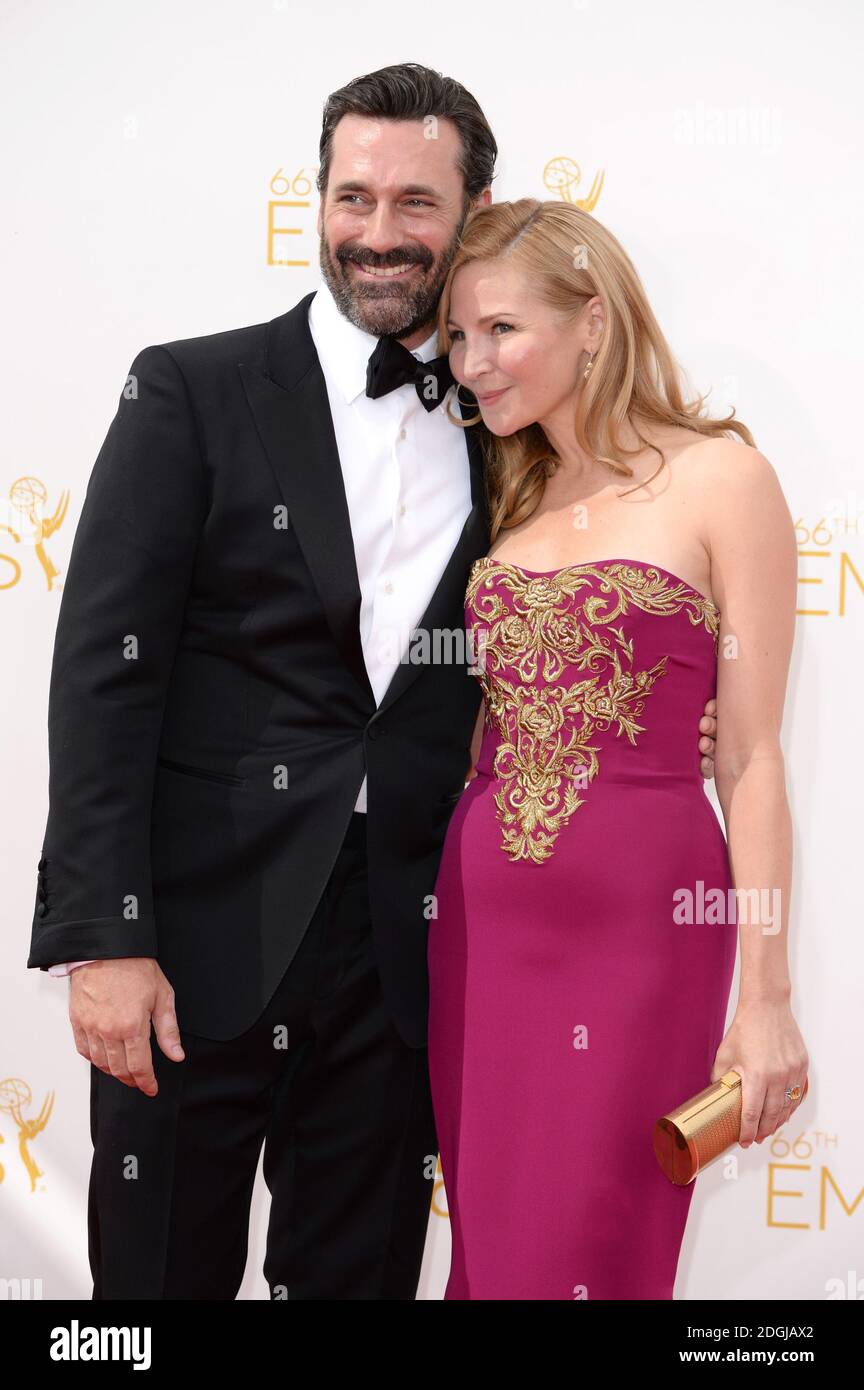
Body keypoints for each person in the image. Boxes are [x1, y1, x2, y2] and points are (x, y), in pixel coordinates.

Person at [27, 67, 720, 1299]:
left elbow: (565, 629)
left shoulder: (511, 430)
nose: (380, 232)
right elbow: (101, 679)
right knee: (150, 1287)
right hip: (197, 934)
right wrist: (103, 938)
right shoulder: (192, 389)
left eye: (416, 199)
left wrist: (670, 706)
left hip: (415, 946)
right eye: (353, 196)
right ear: (319, 203)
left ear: (478, 208)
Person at [426, 197, 810, 1300]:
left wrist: (767, 995)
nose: (472, 361)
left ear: (593, 321)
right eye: (457, 335)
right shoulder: (511, 498)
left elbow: (752, 759)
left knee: (587, 1248)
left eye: (500, 329)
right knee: (493, 1258)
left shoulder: (722, 479)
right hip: (483, 927)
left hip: (643, 928)